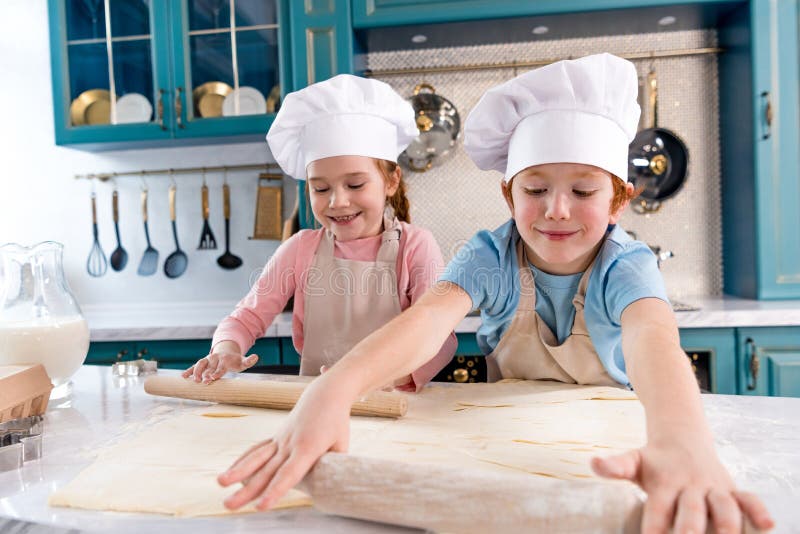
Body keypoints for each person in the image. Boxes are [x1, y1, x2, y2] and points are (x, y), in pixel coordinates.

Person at [216, 54, 774, 533]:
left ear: (619, 200)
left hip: (609, 450)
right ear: (508, 195)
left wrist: (683, 441)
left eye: (582, 190)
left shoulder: (625, 265)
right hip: (502, 444)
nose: (556, 209)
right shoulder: (490, 256)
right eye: (535, 189)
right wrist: (331, 393)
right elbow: (427, 322)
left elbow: (654, 342)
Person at [183, 74, 457, 392]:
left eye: (355, 184)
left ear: (391, 181)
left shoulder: (415, 246)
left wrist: (378, 377)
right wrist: (226, 350)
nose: (337, 201)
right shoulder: (300, 249)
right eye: (320, 187)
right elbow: (246, 317)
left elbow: (439, 337)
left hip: (394, 406)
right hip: (314, 408)